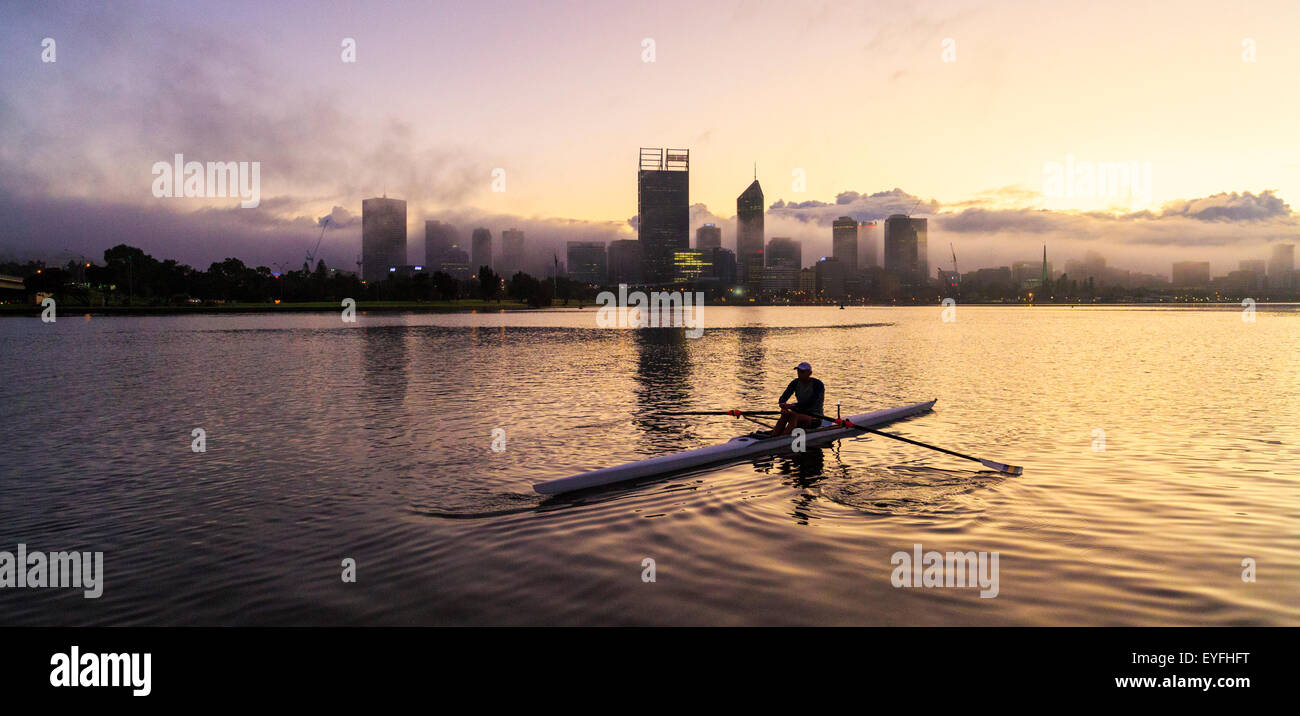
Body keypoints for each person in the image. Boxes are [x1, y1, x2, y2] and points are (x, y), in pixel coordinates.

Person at [771, 361, 825, 436]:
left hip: (815, 417)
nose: (799, 374)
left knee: (794, 416)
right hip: (800, 413)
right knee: (785, 414)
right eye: (798, 371)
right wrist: (782, 404)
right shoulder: (795, 382)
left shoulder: (817, 384)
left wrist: (792, 406)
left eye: (802, 372)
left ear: (810, 373)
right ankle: (773, 436)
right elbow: (784, 397)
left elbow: (811, 402)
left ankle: (781, 439)